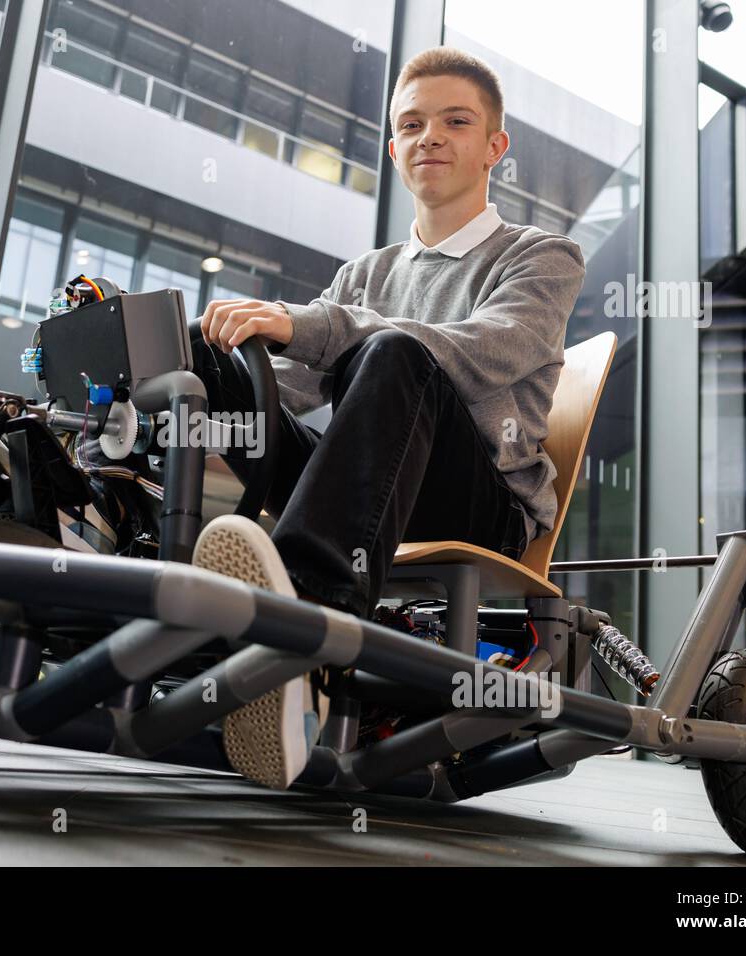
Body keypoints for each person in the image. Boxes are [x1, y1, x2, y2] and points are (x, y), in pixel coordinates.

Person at [187, 47, 588, 790]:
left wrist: (310, 323)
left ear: (495, 146)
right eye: (411, 124)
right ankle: (95, 504)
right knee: (208, 375)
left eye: (455, 121)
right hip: (370, 495)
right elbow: (291, 392)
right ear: (395, 147)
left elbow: (482, 356)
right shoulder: (366, 274)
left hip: (481, 505)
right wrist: (200, 378)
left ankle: (305, 630)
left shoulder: (543, 255)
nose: (430, 136)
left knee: (398, 352)